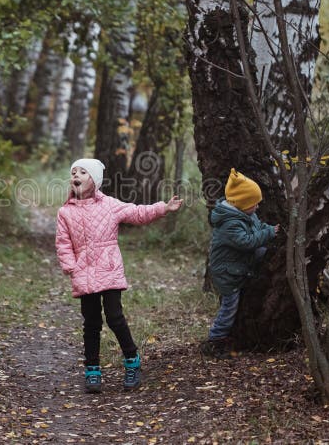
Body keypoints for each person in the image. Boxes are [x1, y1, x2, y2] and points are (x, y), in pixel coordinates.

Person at [55, 158, 183, 393]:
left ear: (94, 180)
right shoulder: (65, 212)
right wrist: (70, 265)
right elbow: (63, 242)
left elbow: (136, 213)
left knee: (115, 318)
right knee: (91, 323)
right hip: (83, 273)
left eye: (83, 171)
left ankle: (132, 361)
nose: (77, 175)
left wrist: (163, 208)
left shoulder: (110, 205)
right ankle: (92, 370)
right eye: (74, 171)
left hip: (109, 268)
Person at [200, 168, 279, 360]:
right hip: (226, 273)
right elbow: (247, 242)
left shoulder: (245, 214)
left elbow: (258, 227)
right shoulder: (230, 223)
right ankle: (215, 340)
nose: (258, 207)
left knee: (265, 253)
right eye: (254, 203)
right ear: (242, 204)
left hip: (237, 264)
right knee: (229, 307)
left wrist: (268, 229)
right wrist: (269, 234)